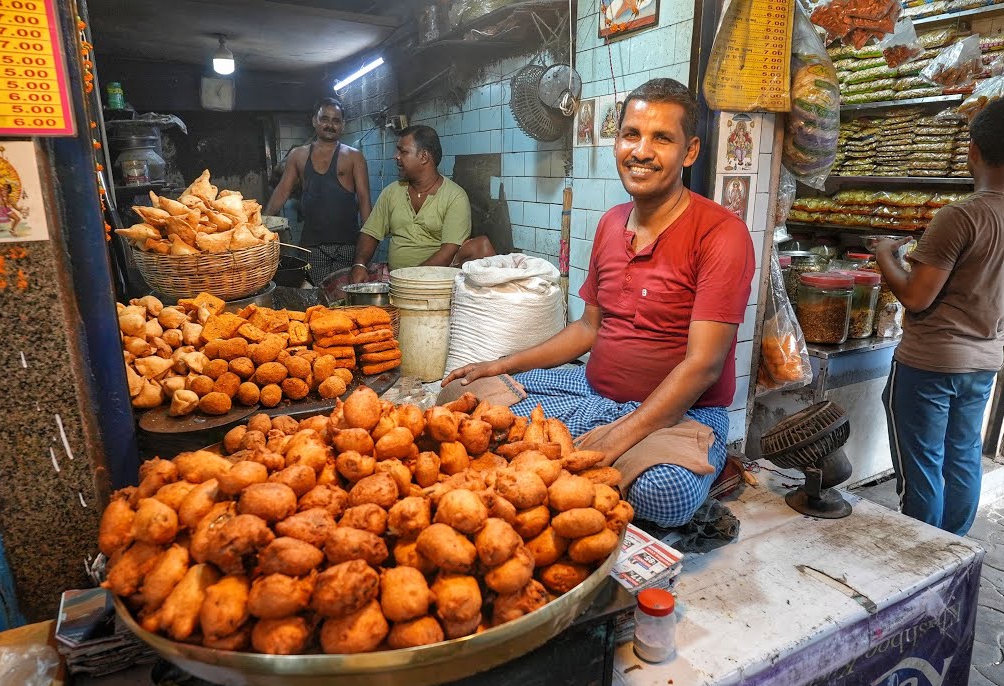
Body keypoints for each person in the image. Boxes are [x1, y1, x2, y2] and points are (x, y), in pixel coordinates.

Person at [443, 78, 755, 529]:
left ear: (689, 152)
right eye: (631, 134)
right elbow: (587, 329)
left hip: (680, 414)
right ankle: (596, 456)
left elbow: (704, 365)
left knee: (663, 496)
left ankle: (659, 458)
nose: (641, 151)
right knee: (464, 397)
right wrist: (499, 365)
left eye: (661, 138)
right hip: (592, 394)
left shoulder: (721, 234)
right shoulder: (611, 224)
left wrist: (617, 439)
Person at [876, 97, 1004, 537]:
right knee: (962, 455)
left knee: (921, 462)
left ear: (971, 149)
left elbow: (917, 298)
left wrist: (886, 256)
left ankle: (922, 554)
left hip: (930, 361)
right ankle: (952, 549)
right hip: (984, 361)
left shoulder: (960, 216)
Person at [347, 125, 493, 285]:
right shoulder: (391, 192)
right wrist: (359, 264)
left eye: (403, 152)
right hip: (395, 277)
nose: (396, 157)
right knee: (339, 288)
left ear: (423, 157)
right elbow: (370, 233)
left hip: (436, 278)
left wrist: (411, 279)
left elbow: (449, 252)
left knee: (482, 246)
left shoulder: (454, 196)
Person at [263, 98, 371, 282]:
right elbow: (282, 191)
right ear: (315, 121)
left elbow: (364, 200)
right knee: (315, 296)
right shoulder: (298, 155)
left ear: (343, 125)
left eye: (336, 120)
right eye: (325, 119)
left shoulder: (354, 157)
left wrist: (366, 245)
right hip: (311, 246)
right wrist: (262, 224)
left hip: (347, 246)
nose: (330, 125)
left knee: (344, 300)